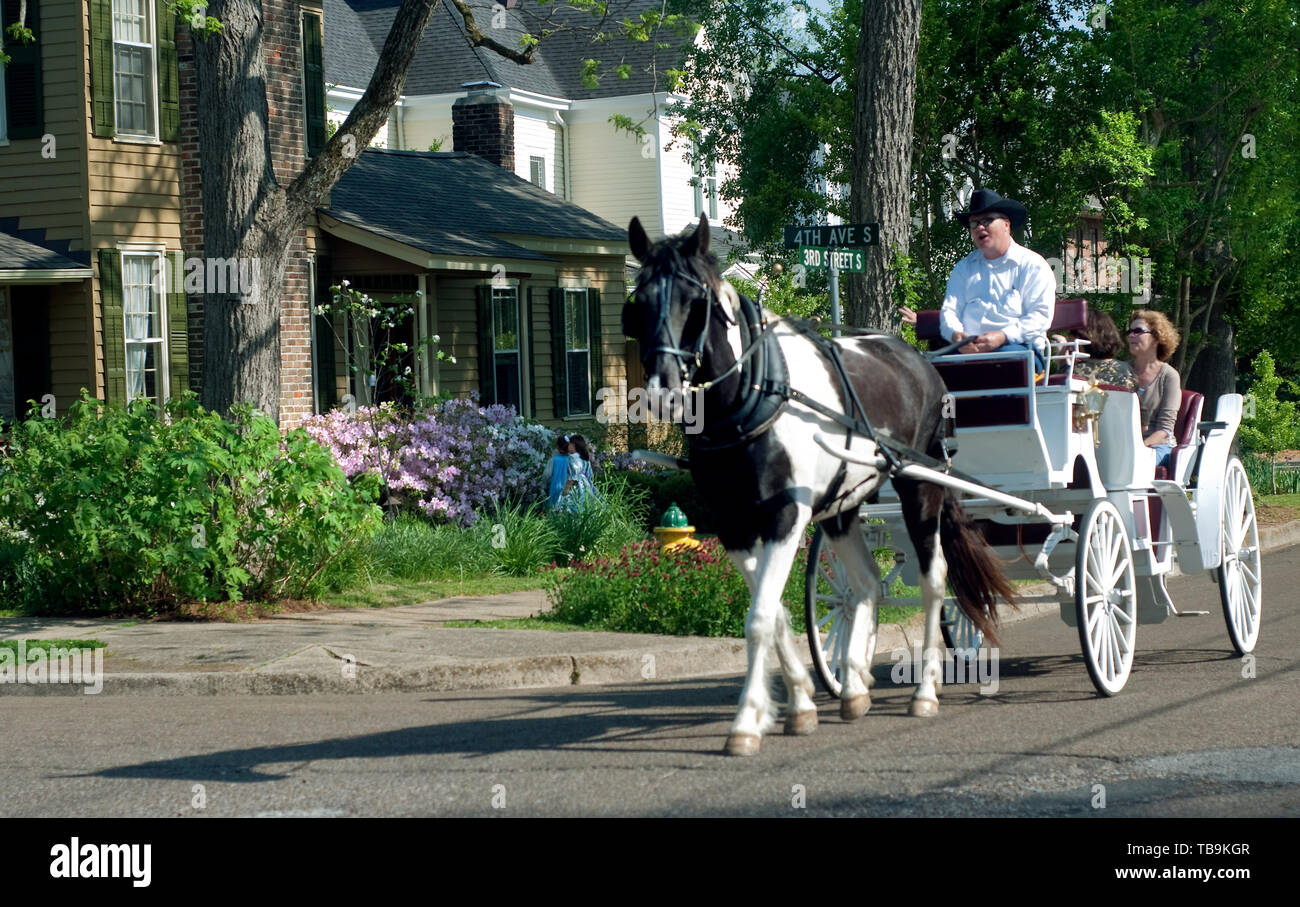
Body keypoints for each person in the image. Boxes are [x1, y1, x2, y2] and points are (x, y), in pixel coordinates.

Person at [938, 189, 1056, 377]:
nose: (979, 228)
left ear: (1006, 225)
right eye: (974, 223)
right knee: (930, 373)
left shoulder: (1032, 265)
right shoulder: (963, 268)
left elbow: (1040, 317)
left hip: (1019, 349)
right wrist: (956, 336)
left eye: (986, 221)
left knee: (1002, 364)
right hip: (968, 351)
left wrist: (1002, 336)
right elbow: (949, 312)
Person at [1126, 309, 1182, 468]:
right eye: (1129, 331)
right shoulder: (1122, 371)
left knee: (1136, 464)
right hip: (1124, 444)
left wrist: (1140, 447)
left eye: (1137, 331)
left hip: (1158, 446)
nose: (1131, 335)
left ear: (1157, 337)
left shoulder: (1169, 376)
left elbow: (1165, 430)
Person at [1053, 309, 1136, 389]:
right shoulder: (1127, 370)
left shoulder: (1078, 371)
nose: (1070, 338)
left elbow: (1061, 389)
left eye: (1072, 334)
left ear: (1083, 336)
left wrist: (1062, 359)